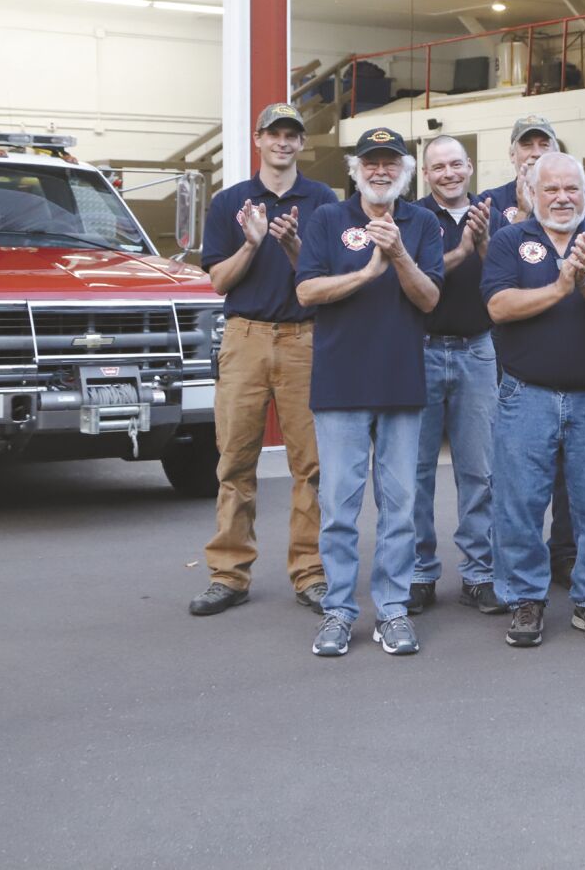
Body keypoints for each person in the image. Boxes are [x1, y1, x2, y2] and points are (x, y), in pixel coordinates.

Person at [294, 128, 443, 658]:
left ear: (405, 170)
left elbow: (429, 300)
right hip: (340, 383)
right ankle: (338, 610)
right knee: (338, 505)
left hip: (401, 382)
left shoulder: (421, 223)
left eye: (391, 163)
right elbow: (307, 290)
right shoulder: (328, 220)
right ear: (356, 168)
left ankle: (393, 610)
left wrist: (399, 255)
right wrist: (367, 272)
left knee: (400, 506)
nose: (382, 171)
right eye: (372, 162)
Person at [188, 102, 336, 618]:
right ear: (258, 140)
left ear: (300, 142)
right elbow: (219, 281)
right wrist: (251, 244)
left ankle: (311, 573)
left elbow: (323, 277)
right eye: (274, 133)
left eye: (291, 134)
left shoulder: (323, 201)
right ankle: (228, 574)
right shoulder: (231, 201)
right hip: (245, 337)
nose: (282, 142)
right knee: (235, 460)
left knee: (312, 466)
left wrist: (293, 245)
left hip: (305, 339)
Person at [482, 151, 585, 648]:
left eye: (572, 189)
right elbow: (499, 307)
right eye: (551, 189)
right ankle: (526, 598)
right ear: (532, 192)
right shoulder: (509, 240)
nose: (563, 197)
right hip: (526, 395)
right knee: (520, 504)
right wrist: (559, 285)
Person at [479, 114, 585, 588]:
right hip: (516, 364)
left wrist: (581, 280)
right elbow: (496, 295)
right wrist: (557, 287)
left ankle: (566, 557)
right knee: (517, 478)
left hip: (582, 371)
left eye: (542, 143)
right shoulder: (493, 208)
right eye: (524, 145)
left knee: (577, 481)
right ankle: (515, 580)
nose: (532, 150)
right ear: (512, 155)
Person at [412, 136, 506, 616]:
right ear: (425, 175)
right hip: (422, 350)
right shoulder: (412, 219)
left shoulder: (493, 214)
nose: (448, 173)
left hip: (477, 349)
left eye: (455, 164)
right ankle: (419, 573)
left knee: (479, 470)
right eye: (437, 167)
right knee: (415, 470)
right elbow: (411, 281)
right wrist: (462, 249)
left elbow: (506, 278)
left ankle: (479, 574)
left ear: (469, 166)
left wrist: (484, 243)